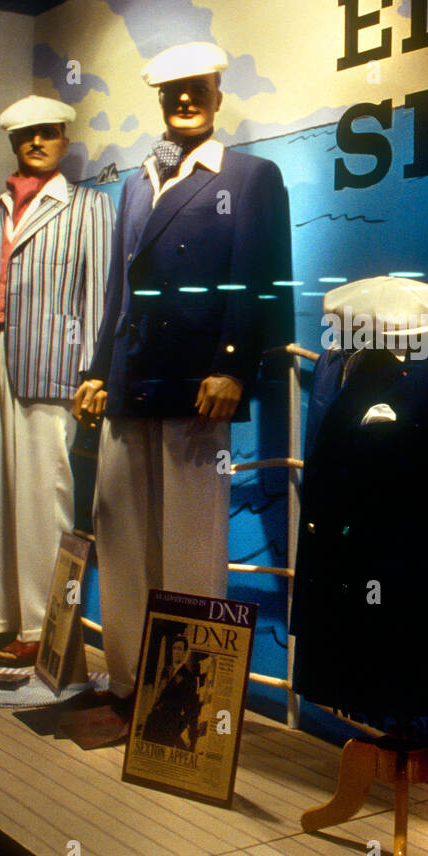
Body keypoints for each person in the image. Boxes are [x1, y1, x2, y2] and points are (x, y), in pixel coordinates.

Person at [74, 42, 292, 700]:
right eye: (173, 92)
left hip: (198, 388)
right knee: (121, 534)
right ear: (160, 101)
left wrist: (235, 366)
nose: (186, 101)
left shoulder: (248, 176)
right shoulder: (137, 183)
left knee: (192, 552)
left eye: (198, 88)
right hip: (130, 380)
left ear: (219, 95)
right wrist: (96, 369)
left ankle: (189, 696)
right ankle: (126, 685)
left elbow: (259, 278)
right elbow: (118, 287)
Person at [0, 96, 114, 665]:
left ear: (64, 139)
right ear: (13, 143)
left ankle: (43, 627)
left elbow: (102, 295)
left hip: (52, 367)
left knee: (44, 493)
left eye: (48, 133)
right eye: (25, 135)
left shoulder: (88, 207)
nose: (36, 142)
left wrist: (95, 371)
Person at [141, 636, 202, 750]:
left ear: (184, 653)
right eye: (175, 648)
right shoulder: (166, 670)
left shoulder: (189, 678)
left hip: (168, 727)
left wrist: (177, 730)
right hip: (153, 721)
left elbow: (190, 710)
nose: (177, 652)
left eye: (180, 649)